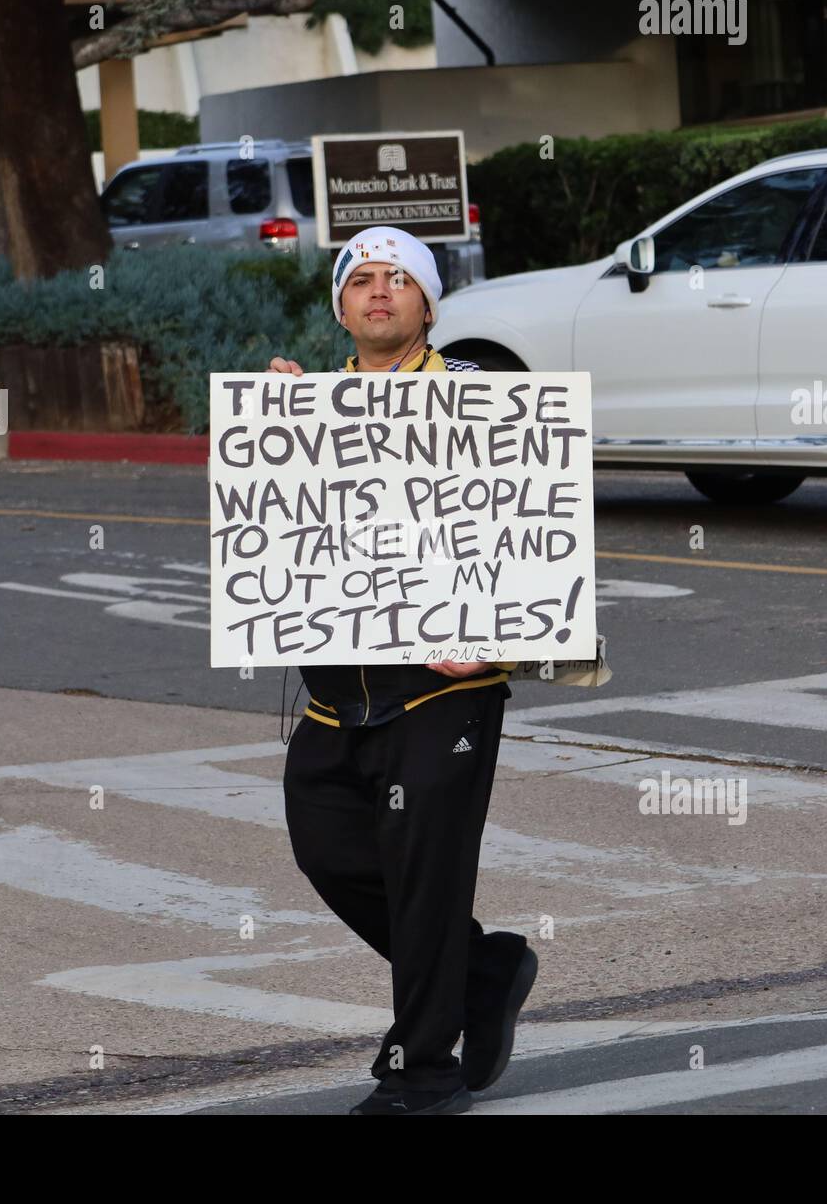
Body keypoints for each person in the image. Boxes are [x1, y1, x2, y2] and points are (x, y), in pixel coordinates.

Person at [267, 226, 538, 1115]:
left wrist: (497, 642)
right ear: (340, 308)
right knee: (327, 851)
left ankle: (424, 1072)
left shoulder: (476, 399)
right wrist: (273, 434)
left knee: (425, 877)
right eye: (361, 280)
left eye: (399, 279)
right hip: (336, 701)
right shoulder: (309, 408)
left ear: (428, 305)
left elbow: (536, 532)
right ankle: (484, 970)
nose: (378, 291)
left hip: (442, 692)